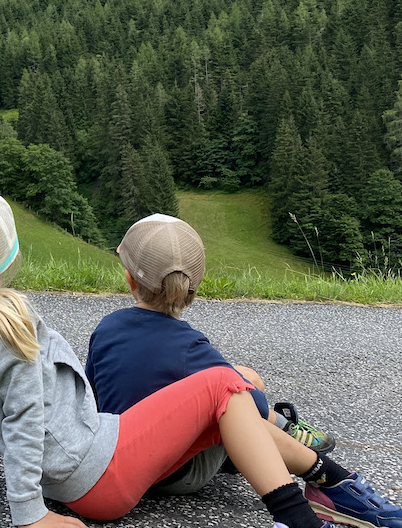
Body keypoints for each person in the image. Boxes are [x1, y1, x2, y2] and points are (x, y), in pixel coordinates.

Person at [0, 186, 402, 528]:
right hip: (96, 471)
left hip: (91, 456)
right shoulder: (10, 321)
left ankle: (328, 481)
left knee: (224, 406)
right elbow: (22, 416)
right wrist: (28, 512)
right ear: (11, 256)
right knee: (225, 386)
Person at [85, 213, 335, 498]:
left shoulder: (106, 328)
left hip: (118, 454)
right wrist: (269, 416)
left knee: (235, 377)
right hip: (174, 476)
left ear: (130, 279)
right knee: (249, 383)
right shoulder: (189, 346)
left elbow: (92, 392)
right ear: (194, 286)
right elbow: (250, 403)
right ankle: (286, 431)